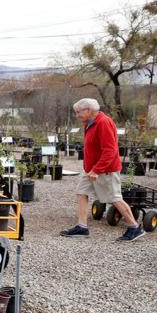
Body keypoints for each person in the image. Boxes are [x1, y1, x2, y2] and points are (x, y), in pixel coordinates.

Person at [58, 98, 140, 240]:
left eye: (78, 112)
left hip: (104, 169)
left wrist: (96, 170)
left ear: (88, 110)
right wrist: (91, 169)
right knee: (81, 192)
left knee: (115, 198)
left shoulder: (103, 122)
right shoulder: (89, 123)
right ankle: (82, 227)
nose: (77, 115)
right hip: (91, 170)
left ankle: (134, 227)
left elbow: (110, 150)